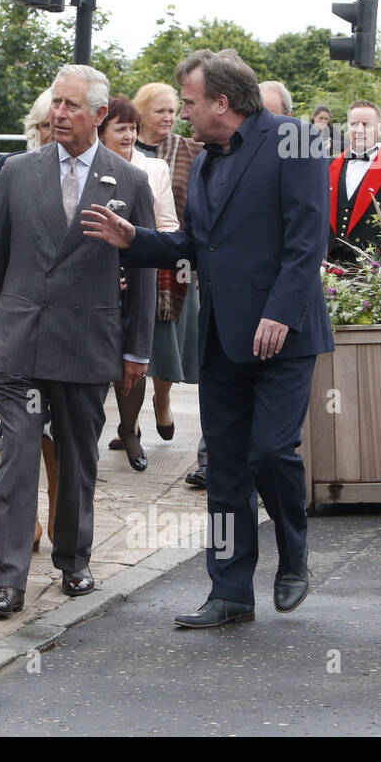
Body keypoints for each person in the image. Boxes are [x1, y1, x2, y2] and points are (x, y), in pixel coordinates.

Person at [82, 49, 333, 629]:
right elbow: (196, 243)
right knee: (224, 469)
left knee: (270, 452)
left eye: (189, 103)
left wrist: (280, 313)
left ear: (222, 101)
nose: (182, 114)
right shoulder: (206, 160)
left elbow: (307, 242)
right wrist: (136, 239)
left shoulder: (295, 140)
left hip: (284, 337)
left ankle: (293, 555)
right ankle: (230, 592)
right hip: (222, 338)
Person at [0, 63, 155, 619]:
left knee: (76, 461)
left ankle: (74, 559)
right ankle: (7, 581)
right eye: (56, 103)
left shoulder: (131, 182)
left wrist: (137, 350)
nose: (60, 113)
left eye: (72, 105)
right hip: (20, 340)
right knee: (18, 458)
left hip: (87, 341)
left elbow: (142, 273)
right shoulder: (17, 171)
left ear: (99, 115)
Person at [0, 86, 59, 551]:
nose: (50, 131)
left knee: (59, 435)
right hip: (15, 322)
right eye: (43, 124)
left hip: (70, 331)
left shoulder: (93, 174)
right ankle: (24, 524)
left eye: (57, 122)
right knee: (21, 431)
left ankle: (57, 512)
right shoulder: (14, 168)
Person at [130, 82, 208, 489]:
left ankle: (162, 401)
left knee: (166, 341)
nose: (169, 117)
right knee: (133, 341)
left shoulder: (190, 150)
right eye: (160, 110)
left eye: (173, 110)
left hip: (175, 260)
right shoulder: (121, 145)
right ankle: (130, 425)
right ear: (141, 112)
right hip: (132, 256)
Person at [97, 95, 176, 472]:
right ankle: (86, 433)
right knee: (96, 359)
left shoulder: (151, 170)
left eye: (132, 128)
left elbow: (169, 226)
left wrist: (144, 253)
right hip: (94, 279)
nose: (129, 135)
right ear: (101, 131)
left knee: (134, 359)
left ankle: (129, 429)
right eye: (120, 129)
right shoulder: (89, 169)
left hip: (140, 278)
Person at [328, 99, 381, 262]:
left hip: (371, 272)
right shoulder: (327, 165)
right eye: (354, 124)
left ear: (380, 129)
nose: (359, 130)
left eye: (366, 124)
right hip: (326, 266)